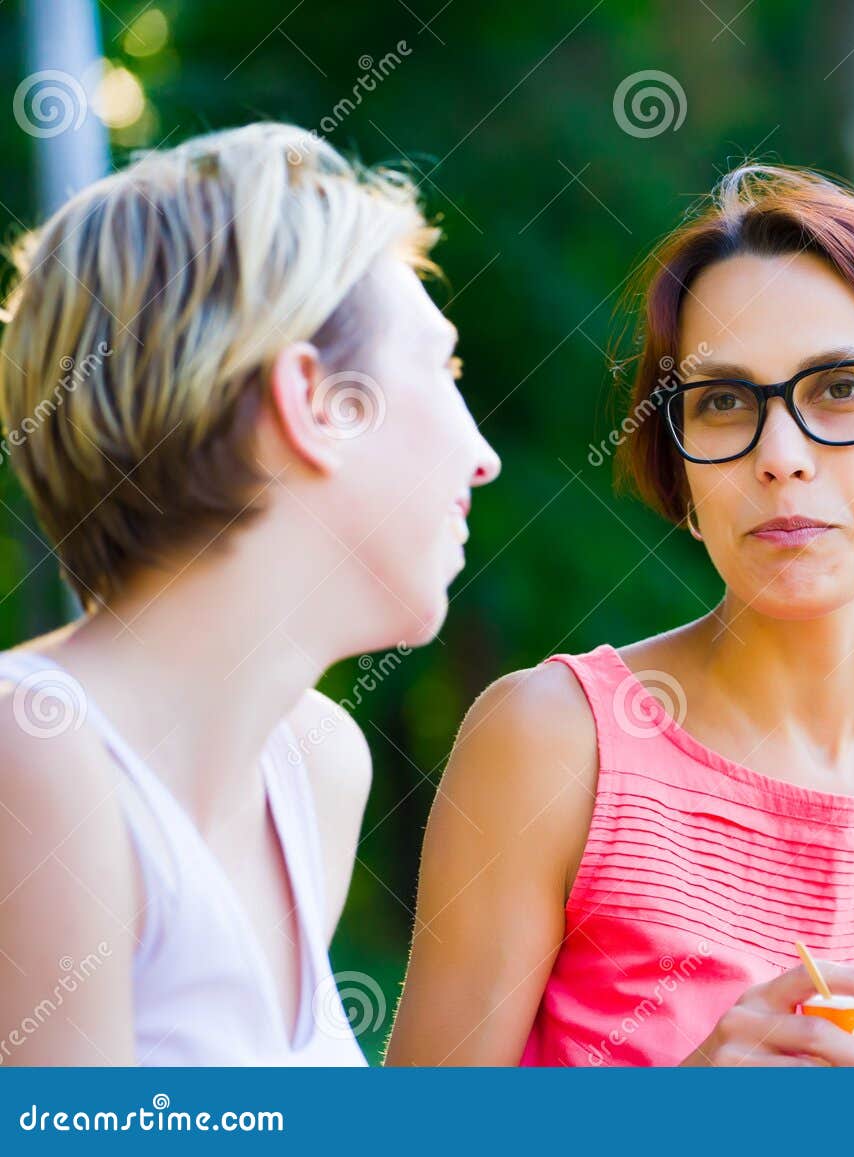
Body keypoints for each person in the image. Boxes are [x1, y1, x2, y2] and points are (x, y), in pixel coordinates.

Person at [387, 165, 854, 1067]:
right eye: (725, 403)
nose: (780, 456)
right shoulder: (549, 743)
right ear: (683, 464)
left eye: (840, 390)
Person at [0, 123, 500, 1065]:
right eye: (444, 366)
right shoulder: (32, 755)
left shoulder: (315, 765)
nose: (484, 455)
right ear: (316, 404)